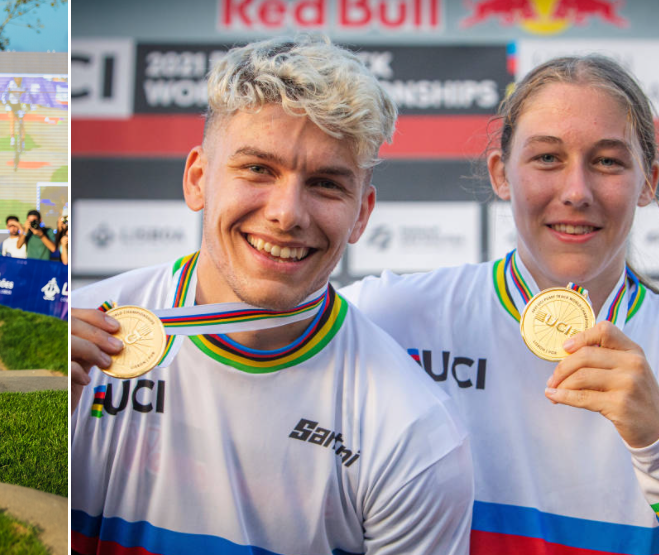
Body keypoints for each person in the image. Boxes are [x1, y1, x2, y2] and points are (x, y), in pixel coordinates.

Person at [69, 38, 472, 555]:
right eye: (258, 168)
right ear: (197, 179)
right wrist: (32, 427)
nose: (287, 213)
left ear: (362, 213)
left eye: (326, 183)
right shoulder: (73, 345)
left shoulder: (415, 432)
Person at [341, 55, 659, 554]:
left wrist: (655, 445)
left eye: (608, 161)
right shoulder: (395, 316)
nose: (576, 192)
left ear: (649, 182)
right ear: (501, 175)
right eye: (548, 158)